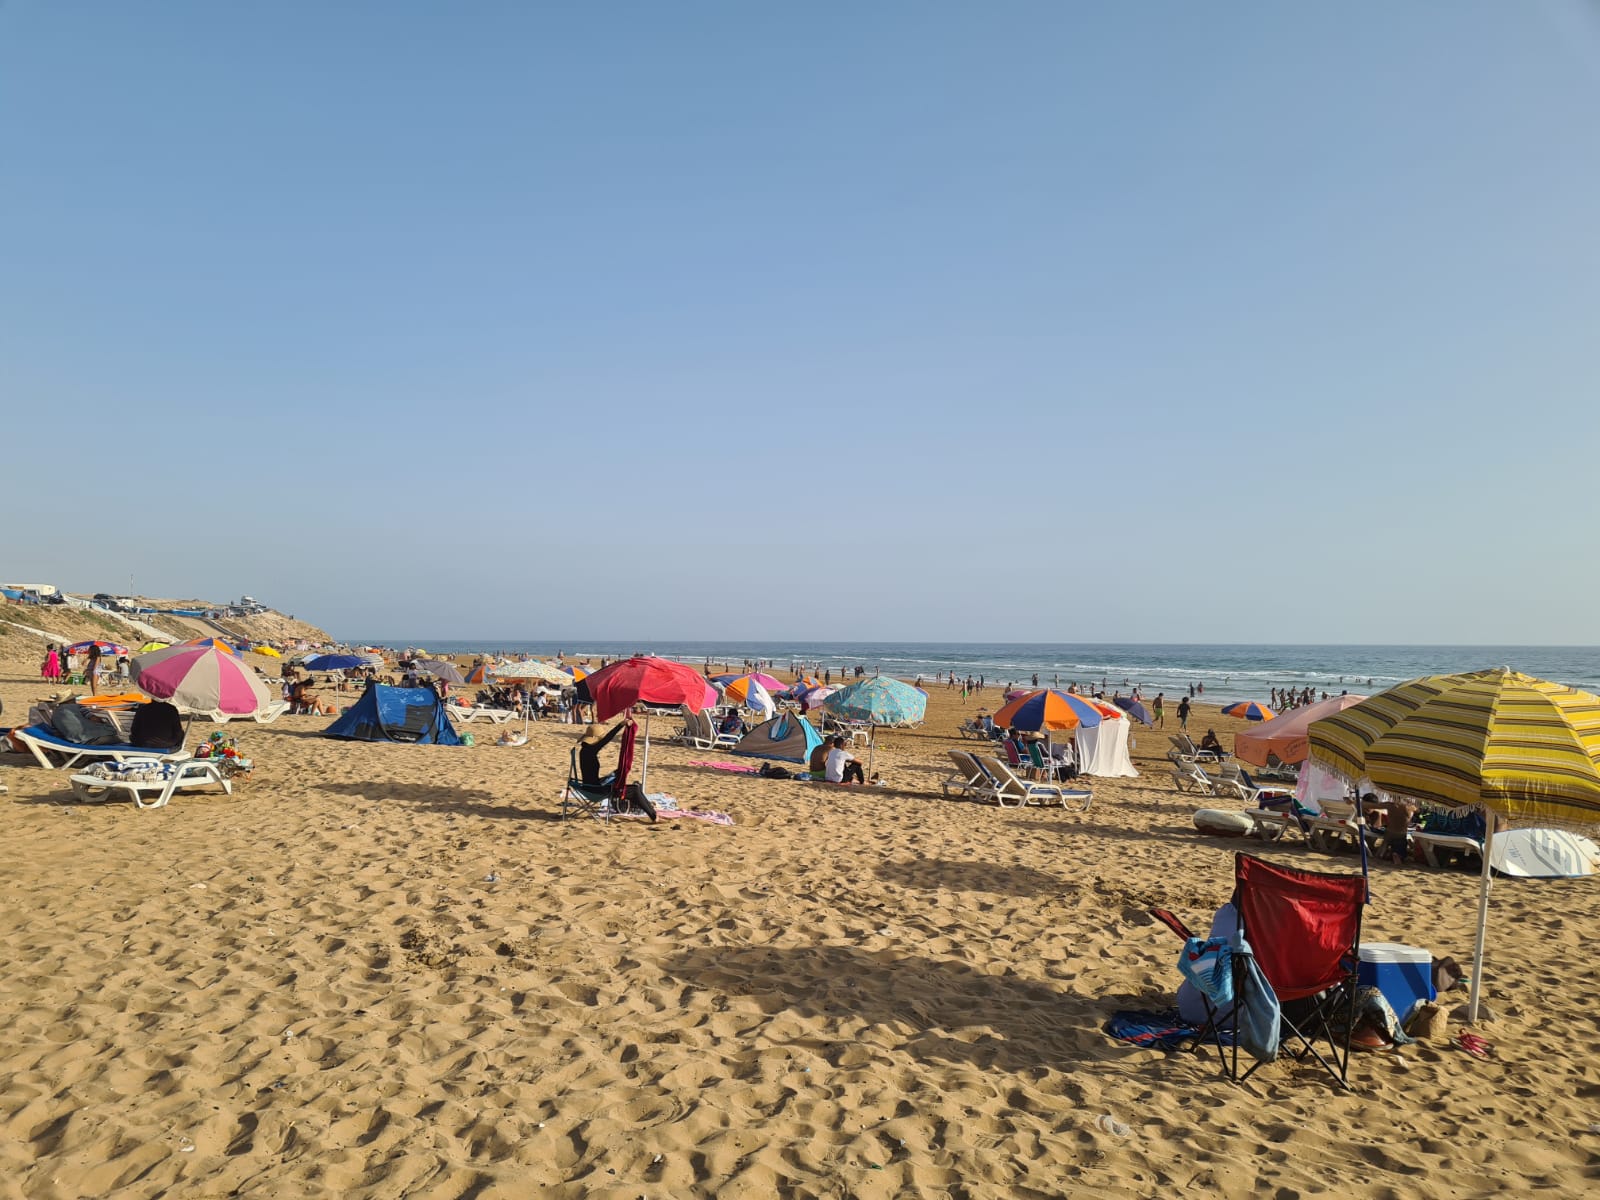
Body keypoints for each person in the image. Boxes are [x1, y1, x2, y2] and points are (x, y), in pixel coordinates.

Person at [578, 717, 634, 788]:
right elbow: (607, 738)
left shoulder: (584, 750)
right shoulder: (591, 751)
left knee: (617, 774)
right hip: (594, 788)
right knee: (632, 789)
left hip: (588, 786)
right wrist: (621, 725)